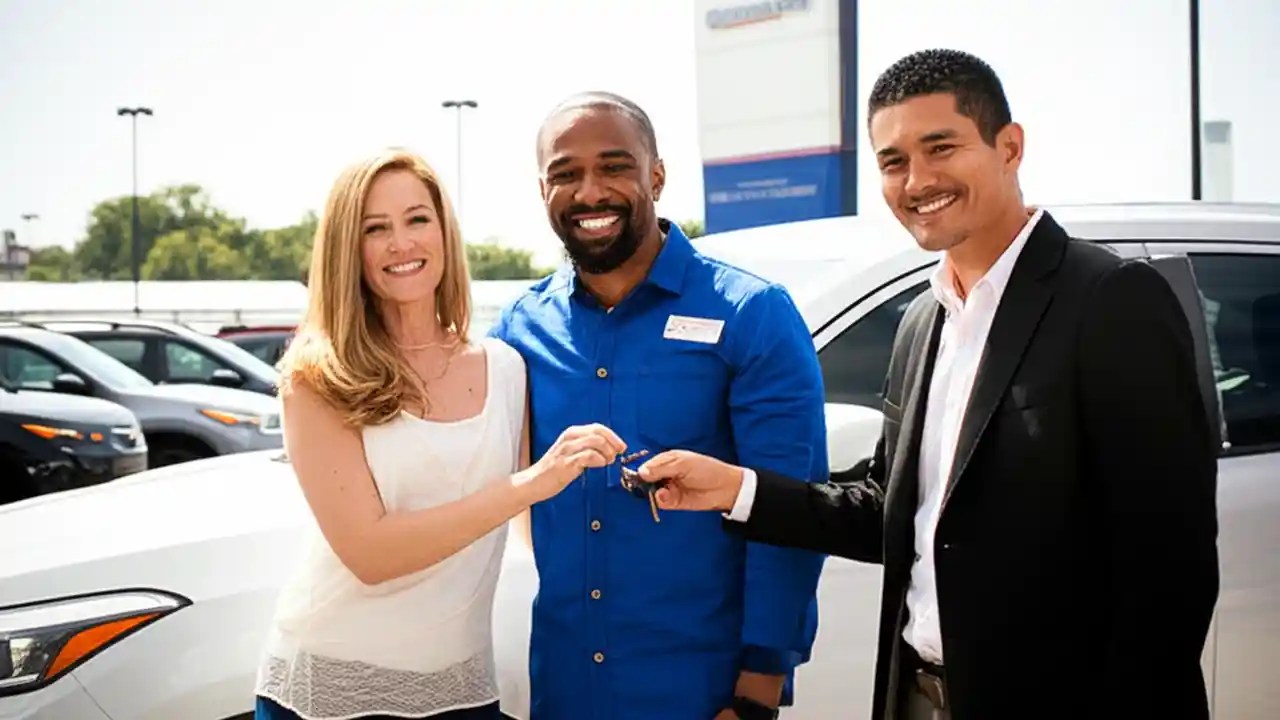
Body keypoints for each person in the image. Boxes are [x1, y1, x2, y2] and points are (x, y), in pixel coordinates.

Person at [635, 49, 1220, 720]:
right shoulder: (923, 319)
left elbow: (1169, 573)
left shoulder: (1111, 299)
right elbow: (894, 511)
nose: (916, 180)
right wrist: (736, 488)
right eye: (893, 162)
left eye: (940, 148)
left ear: (1010, 147)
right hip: (918, 695)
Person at [488, 92, 828, 720]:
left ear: (657, 176)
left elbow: (790, 513)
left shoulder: (751, 314)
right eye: (565, 173)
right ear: (543, 191)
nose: (589, 192)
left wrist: (758, 693)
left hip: (700, 693)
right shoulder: (519, 328)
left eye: (614, 166)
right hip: (563, 689)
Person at [253, 148, 626, 720]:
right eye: (376, 229)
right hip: (332, 689)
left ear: (444, 232)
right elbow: (371, 554)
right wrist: (529, 484)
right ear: (348, 250)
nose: (402, 244)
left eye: (417, 219)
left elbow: (538, 531)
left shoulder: (505, 367)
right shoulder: (316, 376)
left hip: (464, 687)